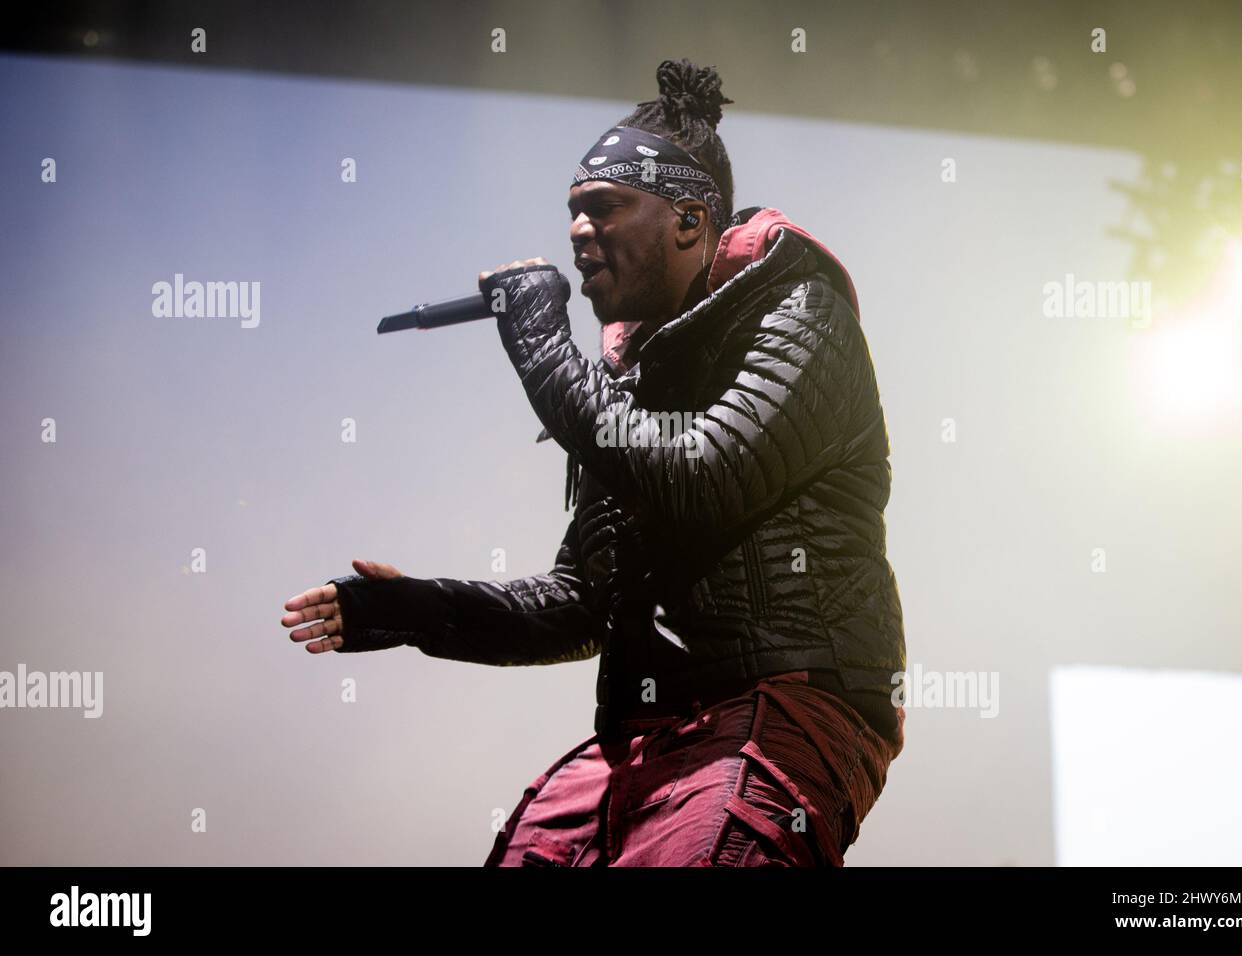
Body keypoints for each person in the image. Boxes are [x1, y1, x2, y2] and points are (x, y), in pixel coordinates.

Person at [281, 58, 907, 867]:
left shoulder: (800, 312)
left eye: (605, 209)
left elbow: (702, 477)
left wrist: (543, 348)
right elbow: (583, 599)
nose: (578, 231)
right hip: (654, 734)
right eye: (573, 212)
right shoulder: (625, 387)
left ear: (689, 218)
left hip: (783, 709)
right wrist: (412, 609)